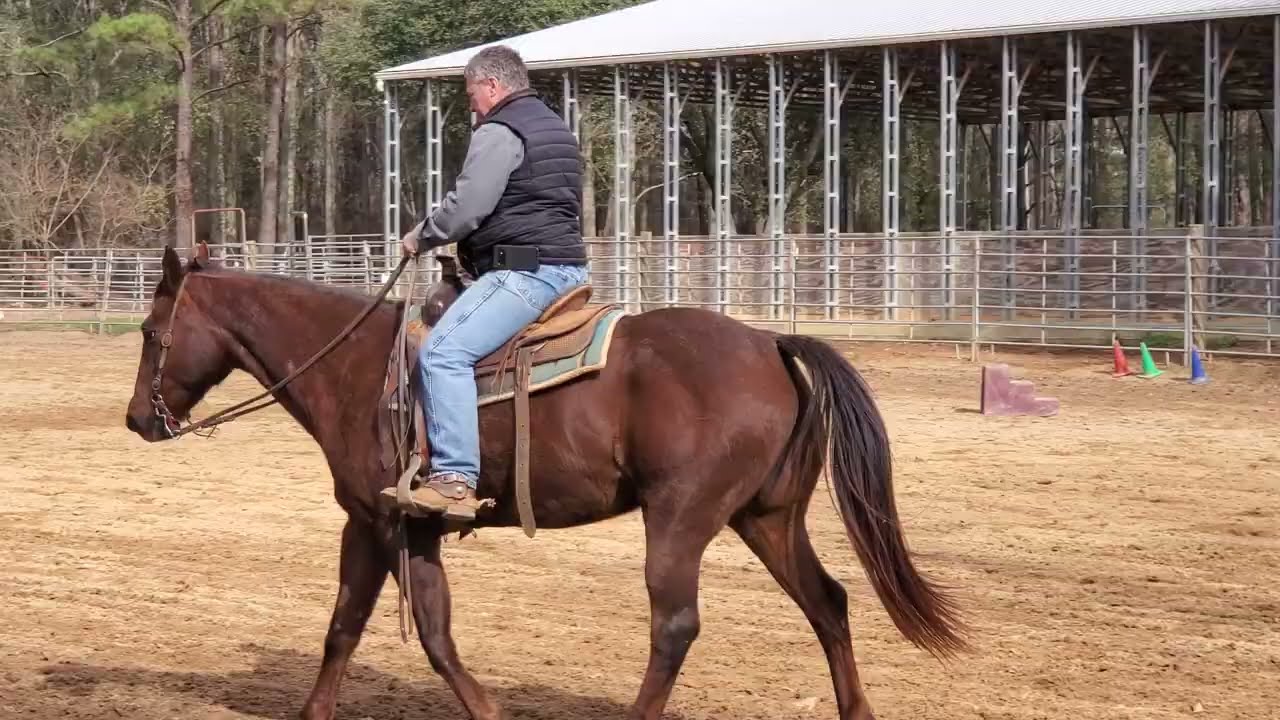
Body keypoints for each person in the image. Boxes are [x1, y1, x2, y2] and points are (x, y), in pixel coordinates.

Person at [400, 45, 589, 522]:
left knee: (442, 352)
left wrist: (422, 235)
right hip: (565, 266)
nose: (472, 107)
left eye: (472, 95)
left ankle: (454, 478)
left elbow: (468, 207)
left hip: (525, 272)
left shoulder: (502, 129)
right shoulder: (554, 127)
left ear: (492, 85)